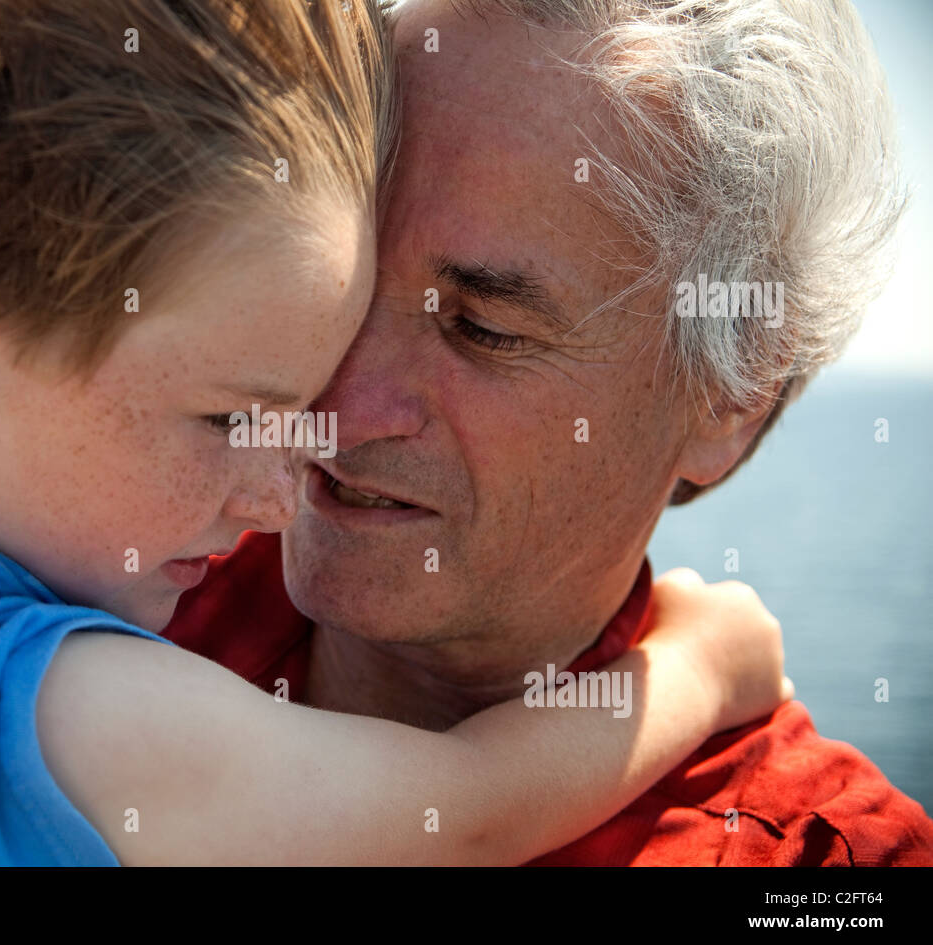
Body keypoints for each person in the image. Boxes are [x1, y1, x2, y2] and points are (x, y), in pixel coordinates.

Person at [0, 0, 790, 866]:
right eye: (232, 414)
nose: (283, 489)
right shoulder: (52, 703)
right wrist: (696, 666)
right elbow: (459, 811)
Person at [164, 0, 933, 865]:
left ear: (733, 393)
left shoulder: (830, 872)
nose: (336, 403)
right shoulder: (76, 585)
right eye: (341, 277)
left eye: (483, 328)